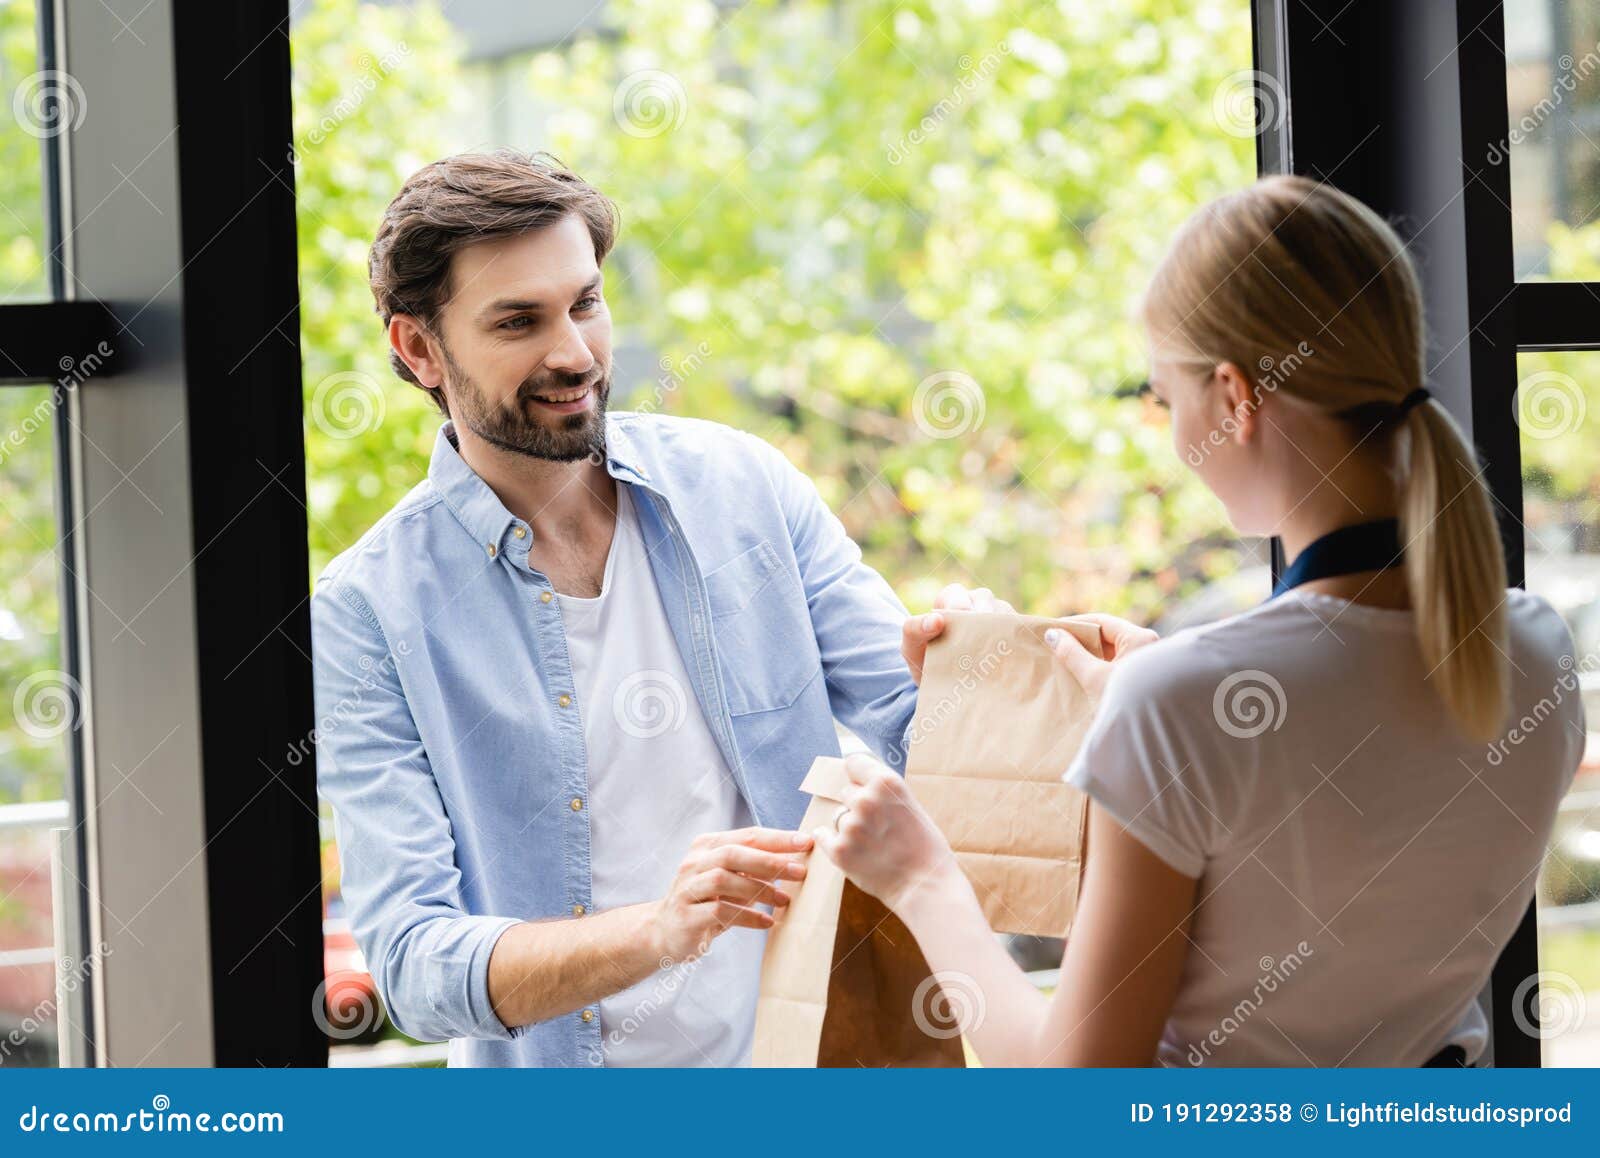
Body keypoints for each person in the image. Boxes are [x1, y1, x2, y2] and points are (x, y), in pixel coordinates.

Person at [830, 175, 1585, 1066]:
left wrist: (922, 879)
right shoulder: (1538, 650)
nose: (1169, 429)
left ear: (1233, 397)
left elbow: (1077, 1103)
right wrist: (1152, 719)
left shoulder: (1180, 702)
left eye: (1162, 396)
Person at [310, 149, 961, 1067]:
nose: (573, 353)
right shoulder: (366, 613)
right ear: (419, 348)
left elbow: (922, 732)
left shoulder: (746, 491)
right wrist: (662, 928)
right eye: (517, 321)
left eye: (585, 302)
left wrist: (996, 675)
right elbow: (417, 969)